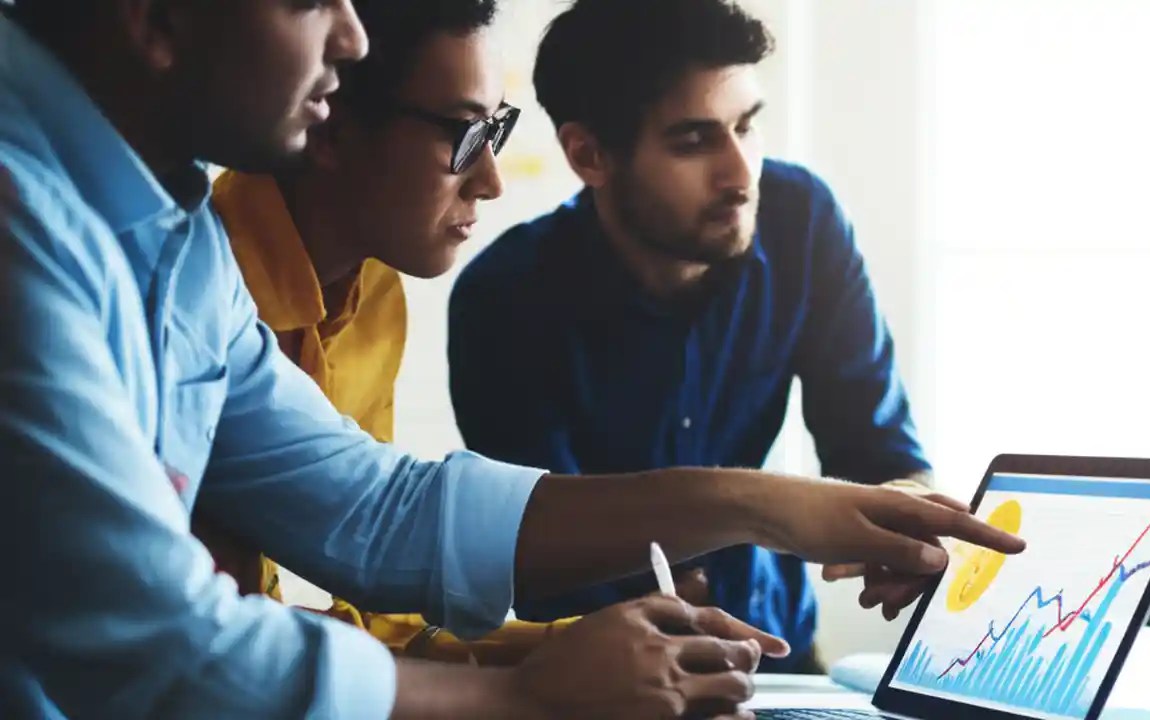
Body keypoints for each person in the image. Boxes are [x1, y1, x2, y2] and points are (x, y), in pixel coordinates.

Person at [0, 1, 1022, 718]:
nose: (348, 35)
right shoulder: (22, 225)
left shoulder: (169, 229)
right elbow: (168, 653)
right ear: (155, 15)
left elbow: (378, 509)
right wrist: (520, 697)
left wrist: (767, 505)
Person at [449, 0, 931, 673]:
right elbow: (532, 551)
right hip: (603, 674)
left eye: (747, 126)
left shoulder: (804, 221)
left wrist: (906, 525)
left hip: (781, 654)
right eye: (694, 141)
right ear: (590, 155)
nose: (740, 175)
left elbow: (880, 455)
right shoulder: (503, 299)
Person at [198, 0, 577, 664]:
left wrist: (567, 645)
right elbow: (218, 645)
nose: (489, 181)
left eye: (497, 130)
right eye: (464, 132)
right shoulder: (196, 287)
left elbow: (378, 594)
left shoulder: (373, 292)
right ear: (330, 122)